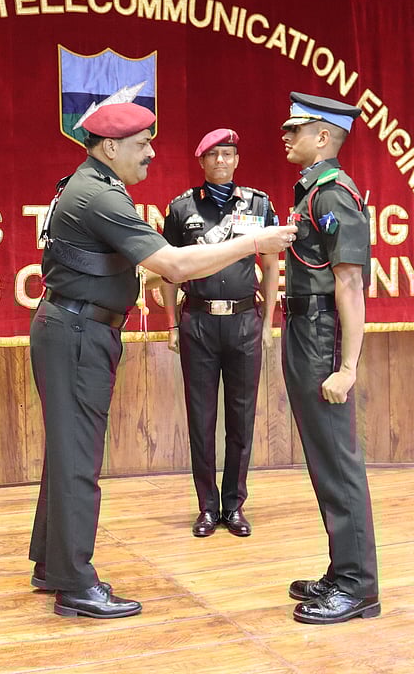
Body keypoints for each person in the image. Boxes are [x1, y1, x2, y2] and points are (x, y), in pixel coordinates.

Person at [28, 101, 297, 619]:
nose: (151, 153)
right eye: (142, 144)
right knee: (79, 459)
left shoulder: (89, 185)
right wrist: (254, 242)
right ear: (110, 147)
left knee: (67, 453)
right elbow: (173, 264)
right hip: (79, 332)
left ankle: (51, 564)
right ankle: (76, 585)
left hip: (75, 327)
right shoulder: (97, 195)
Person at [277, 91, 380, 624]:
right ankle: (343, 570)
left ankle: (359, 586)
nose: (286, 136)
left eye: (296, 129)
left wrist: (347, 366)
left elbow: (350, 283)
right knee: (323, 458)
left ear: (324, 136)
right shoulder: (310, 190)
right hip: (302, 327)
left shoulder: (333, 192)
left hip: (321, 333)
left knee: (338, 460)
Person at [159, 128, 278, 539]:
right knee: (202, 419)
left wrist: (270, 322)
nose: (221, 162)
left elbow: (271, 265)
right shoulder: (181, 208)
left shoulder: (258, 204)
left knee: (242, 419)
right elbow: (167, 271)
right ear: (202, 161)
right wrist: (171, 324)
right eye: (214, 155)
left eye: (228, 154)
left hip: (246, 321)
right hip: (199, 322)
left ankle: (235, 505)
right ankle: (207, 507)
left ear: (237, 160)